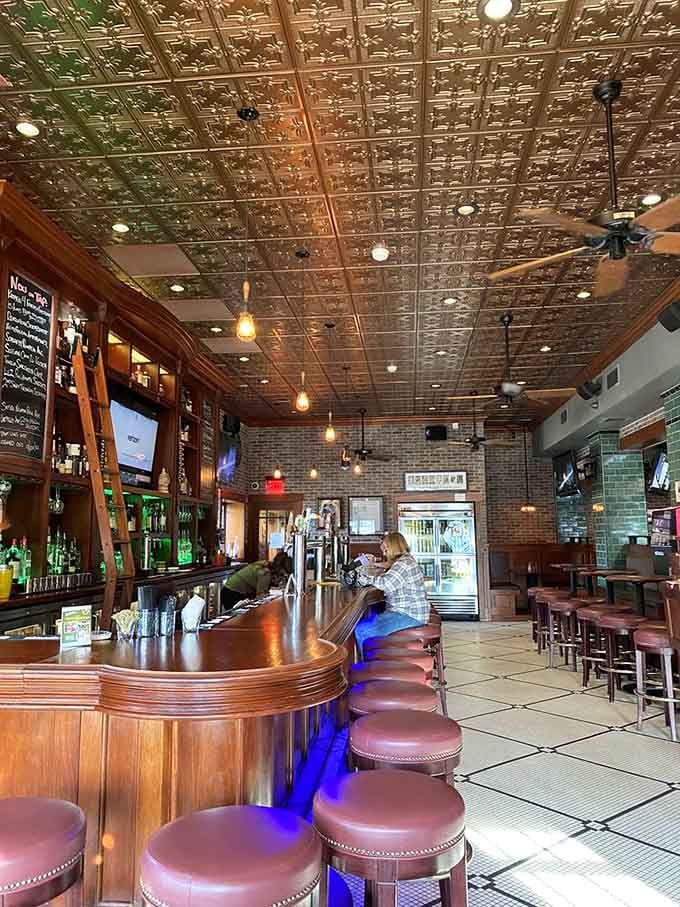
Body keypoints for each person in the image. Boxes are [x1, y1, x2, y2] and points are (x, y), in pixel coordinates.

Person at [354, 531, 430, 657]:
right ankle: (380, 659)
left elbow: (386, 584)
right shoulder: (406, 559)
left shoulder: (402, 564)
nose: (384, 553)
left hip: (408, 615)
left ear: (393, 547)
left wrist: (365, 578)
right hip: (411, 612)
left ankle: (369, 668)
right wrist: (374, 565)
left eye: (385, 550)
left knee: (362, 631)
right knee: (372, 618)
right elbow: (389, 566)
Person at [221, 551, 292, 610]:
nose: (285, 576)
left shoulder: (267, 566)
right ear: (281, 569)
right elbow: (261, 597)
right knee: (236, 620)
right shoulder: (265, 573)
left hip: (233, 591)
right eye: (285, 573)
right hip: (232, 594)